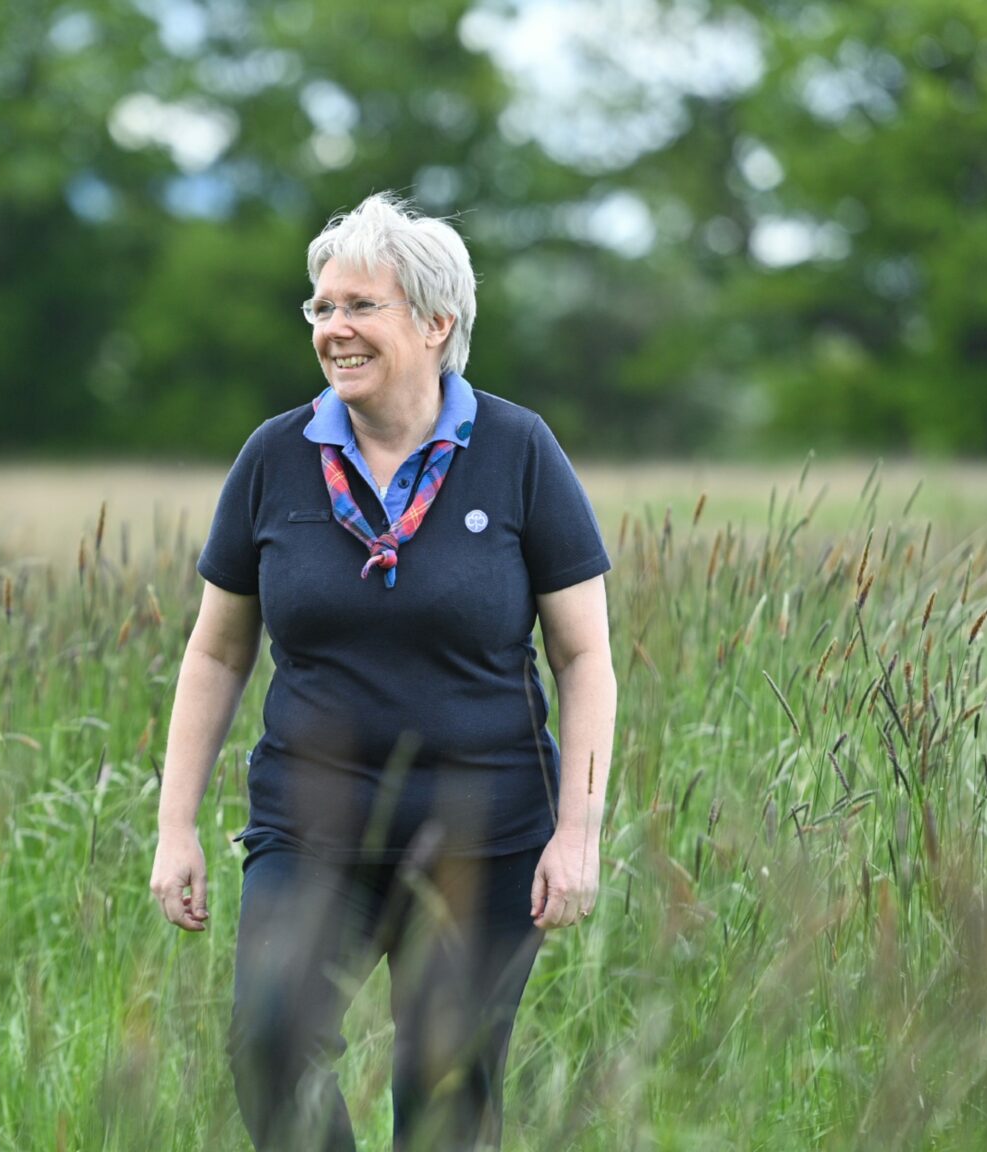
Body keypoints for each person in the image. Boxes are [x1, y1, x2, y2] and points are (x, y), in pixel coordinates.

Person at [149, 192, 618, 1151]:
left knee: (444, 1095)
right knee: (271, 1046)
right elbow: (216, 649)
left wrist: (577, 831)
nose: (333, 330)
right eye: (321, 309)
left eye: (359, 305)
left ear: (437, 323)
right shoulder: (275, 457)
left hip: (483, 835)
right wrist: (174, 826)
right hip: (312, 827)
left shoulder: (519, 451)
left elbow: (584, 656)